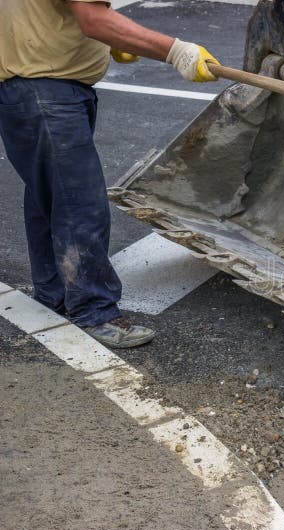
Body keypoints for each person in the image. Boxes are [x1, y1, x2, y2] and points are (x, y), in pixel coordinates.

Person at [0, 1, 220, 348]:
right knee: (80, 205)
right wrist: (177, 51)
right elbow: (93, 18)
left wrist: (110, 40)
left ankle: (55, 294)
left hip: (30, 89)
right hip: (47, 92)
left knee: (50, 199)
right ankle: (94, 310)